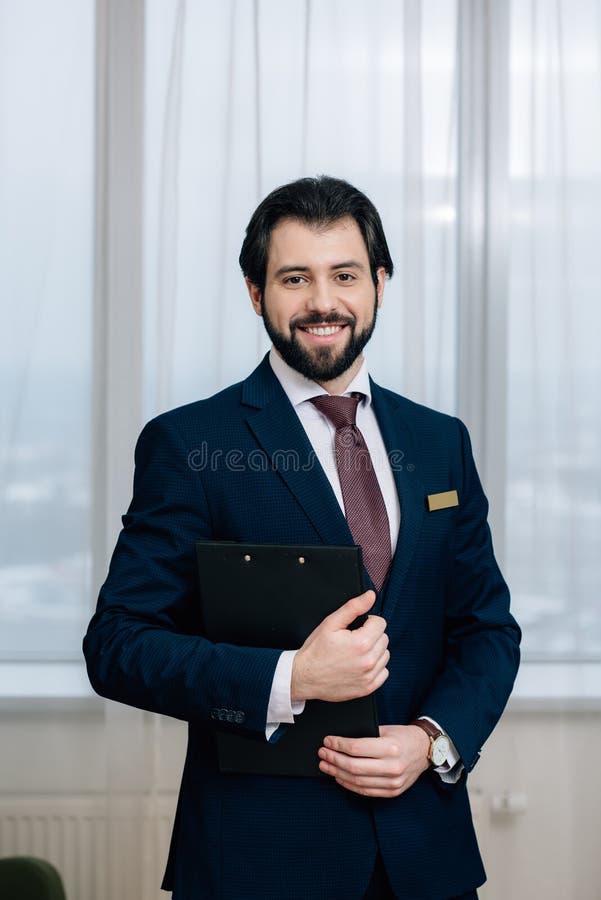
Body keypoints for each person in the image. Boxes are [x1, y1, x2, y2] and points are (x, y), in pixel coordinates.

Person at [83, 175, 520, 900]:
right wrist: (291, 679)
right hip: (259, 861)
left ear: (379, 283)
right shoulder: (190, 445)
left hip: (426, 856)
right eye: (294, 278)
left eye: (344, 275)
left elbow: (485, 630)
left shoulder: (439, 442)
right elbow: (117, 645)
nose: (323, 301)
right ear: (257, 293)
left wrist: (431, 739)